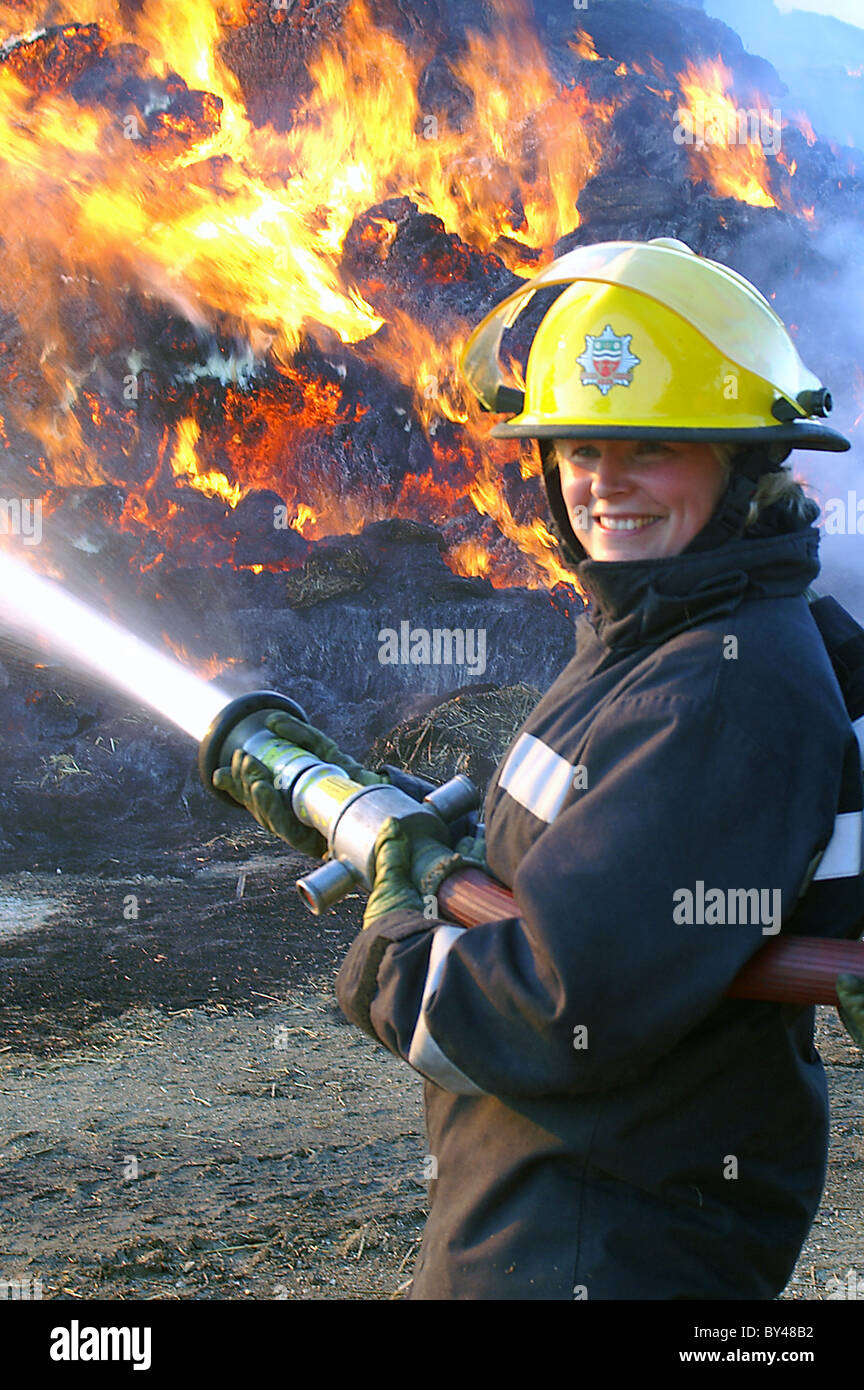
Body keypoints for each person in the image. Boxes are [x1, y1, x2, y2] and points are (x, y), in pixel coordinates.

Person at [215, 239, 864, 1300]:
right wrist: (463, 859)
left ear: (742, 463)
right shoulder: (650, 628)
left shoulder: (717, 686)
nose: (606, 480)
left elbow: (562, 1008)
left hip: (608, 1228)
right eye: (579, 446)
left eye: (651, 445)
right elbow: (612, 877)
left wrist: (393, 940)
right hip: (552, 1187)